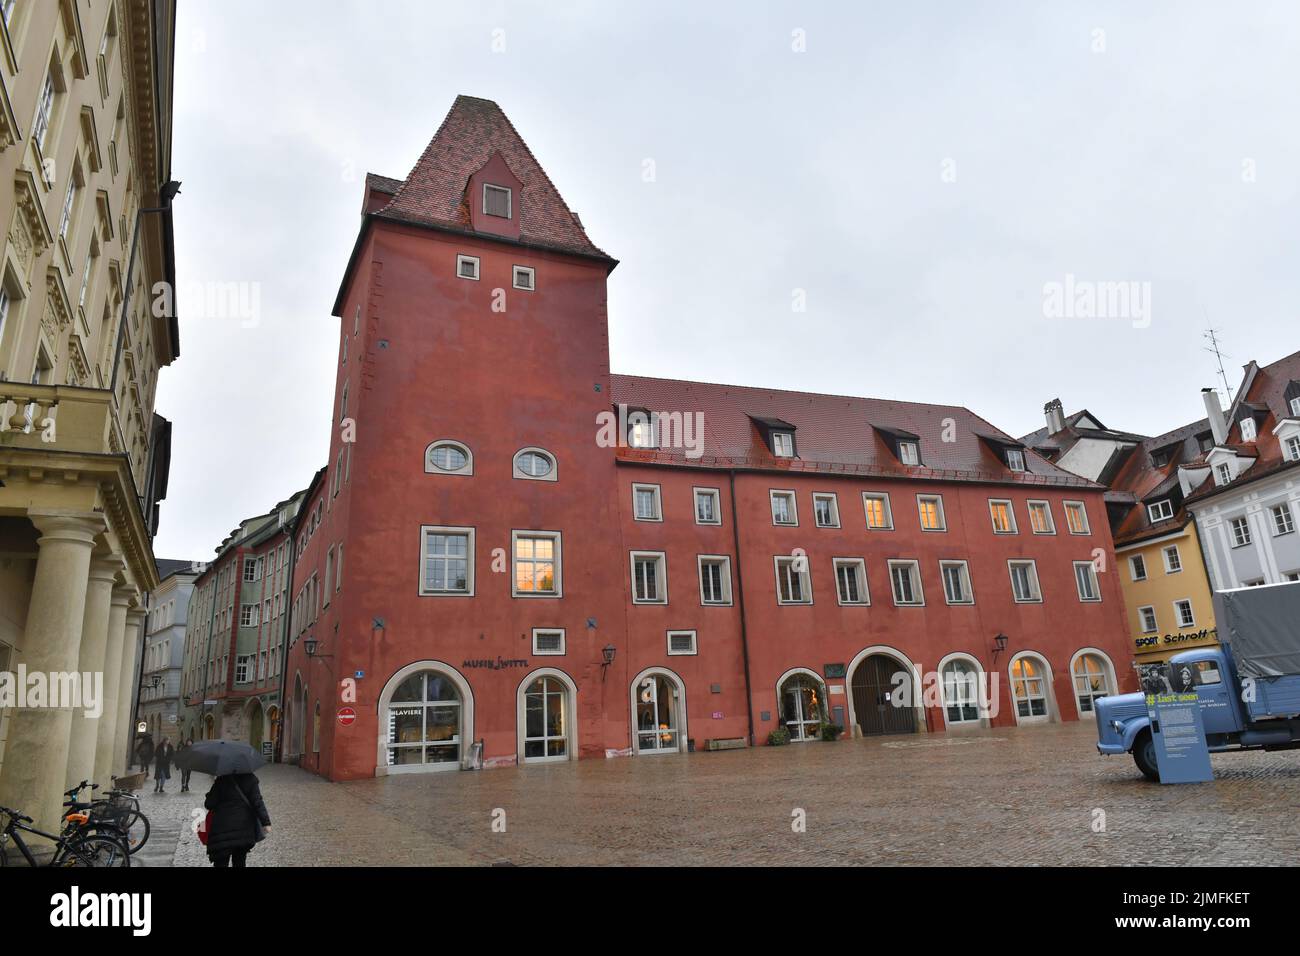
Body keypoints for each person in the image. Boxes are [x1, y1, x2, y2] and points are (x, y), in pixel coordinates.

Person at [203, 773, 271, 868]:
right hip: (243, 830)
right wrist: (266, 823)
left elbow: (209, 804)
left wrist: (210, 794)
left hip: (221, 830)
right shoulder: (250, 779)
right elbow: (257, 802)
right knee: (240, 861)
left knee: (221, 862)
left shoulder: (221, 779)